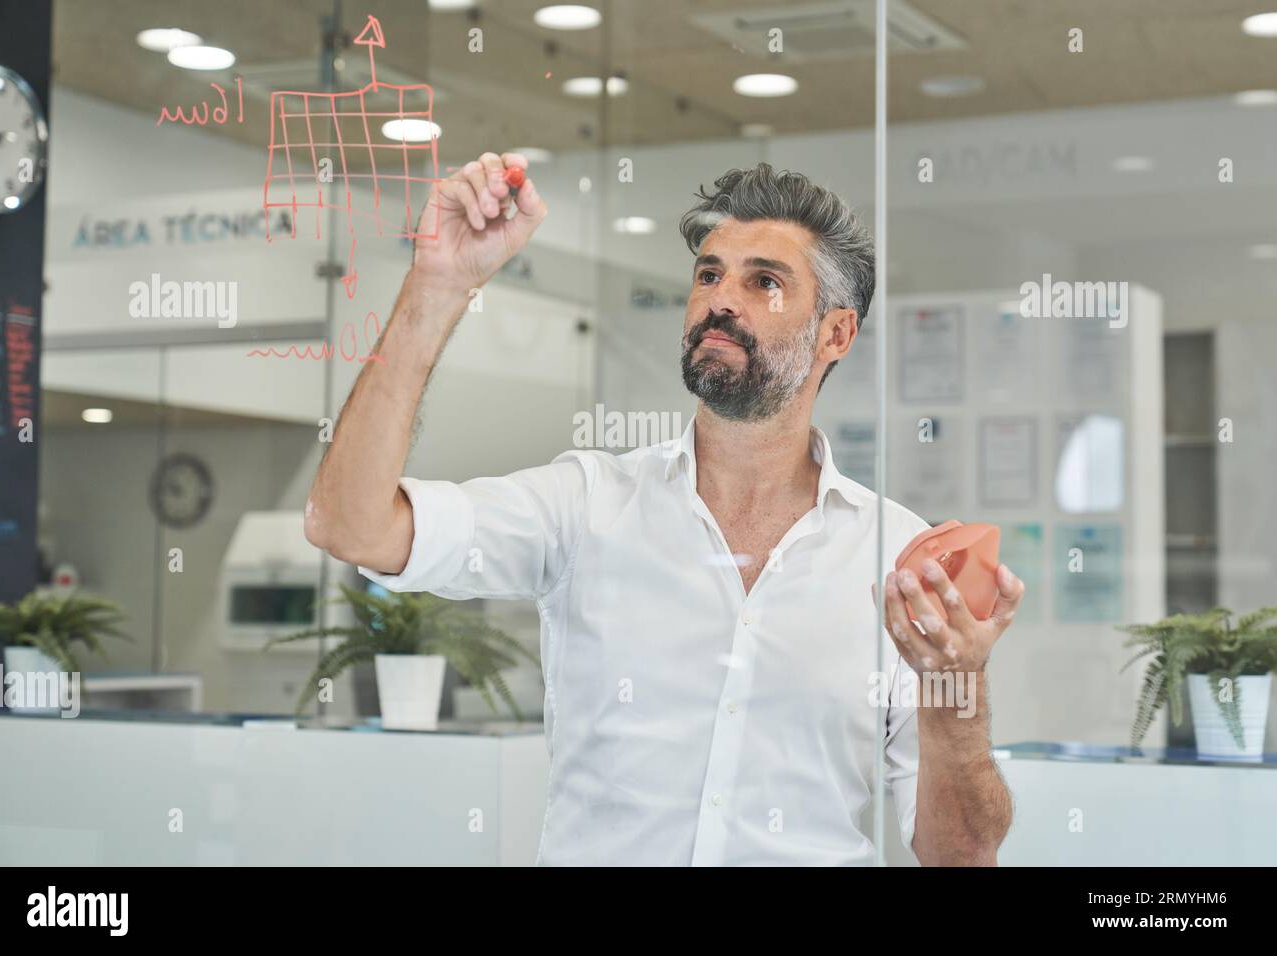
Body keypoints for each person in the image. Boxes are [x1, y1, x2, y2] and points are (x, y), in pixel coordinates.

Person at [303, 153, 1024, 865]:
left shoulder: (894, 557)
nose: (721, 299)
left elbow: (960, 856)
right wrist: (437, 286)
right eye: (708, 274)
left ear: (835, 335)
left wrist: (951, 684)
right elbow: (349, 524)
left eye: (763, 281)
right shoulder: (585, 506)